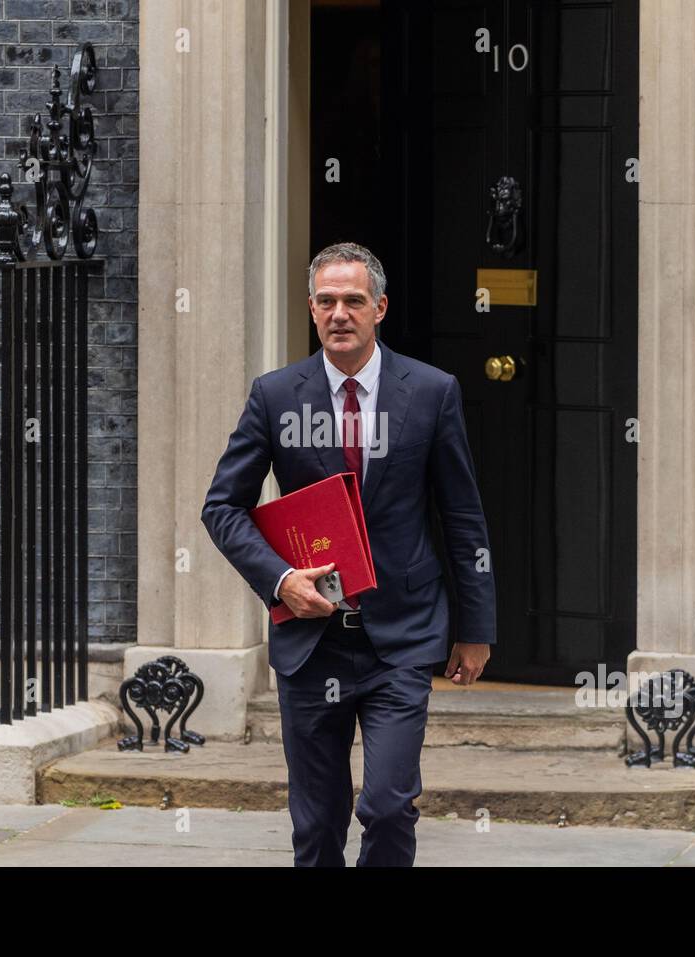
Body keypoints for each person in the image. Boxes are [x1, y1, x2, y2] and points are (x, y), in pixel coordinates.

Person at [201, 242, 496, 866]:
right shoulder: (275, 396)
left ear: (380, 308)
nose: (340, 313)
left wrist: (474, 629)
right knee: (316, 825)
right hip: (312, 640)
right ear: (311, 309)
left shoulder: (433, 392)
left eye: (354, 301)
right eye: (327, 301)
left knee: (388, 808)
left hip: (403, 637)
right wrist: (280, 579)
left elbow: (463, 518)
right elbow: (222, 507)